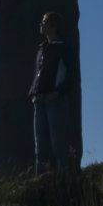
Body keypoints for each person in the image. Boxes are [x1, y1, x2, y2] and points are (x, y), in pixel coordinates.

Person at [29, 10, 78, 176]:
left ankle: (65, 179)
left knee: (58, 144)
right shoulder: (41, 49)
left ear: (53, 26)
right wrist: (34, 94)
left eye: (44, 22)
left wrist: (58, 92)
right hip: (40, 100)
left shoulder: (64, 48)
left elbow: (72, 76)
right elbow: (38, 72)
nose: (41, 25)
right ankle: (40, 182)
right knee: (40, 147)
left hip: (54, 100)